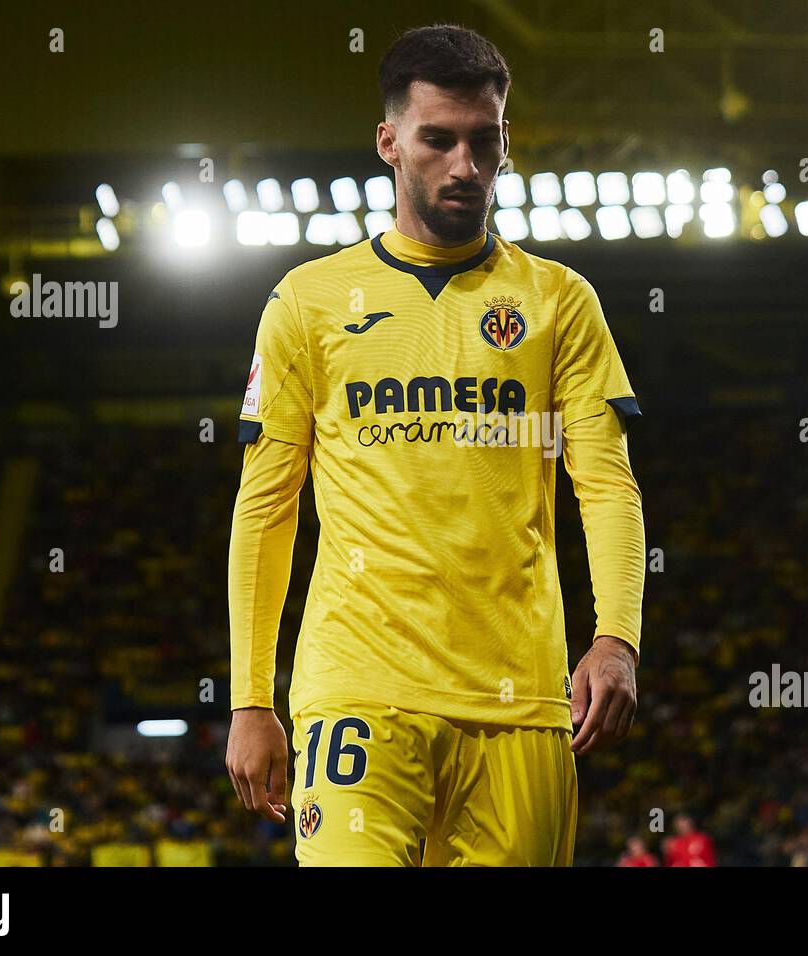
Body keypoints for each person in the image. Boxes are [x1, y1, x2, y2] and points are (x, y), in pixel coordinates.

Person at [225, 23, 645, 866]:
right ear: (389, 141)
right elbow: (266, 509)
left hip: (522, 701)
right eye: (438, 140)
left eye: (483, 142)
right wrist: (249, 696)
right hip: (358, 691)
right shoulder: (308, 303)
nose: (465, 165)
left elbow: (606, 484)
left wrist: (617, 637)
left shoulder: (560, 301)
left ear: (505, 142)